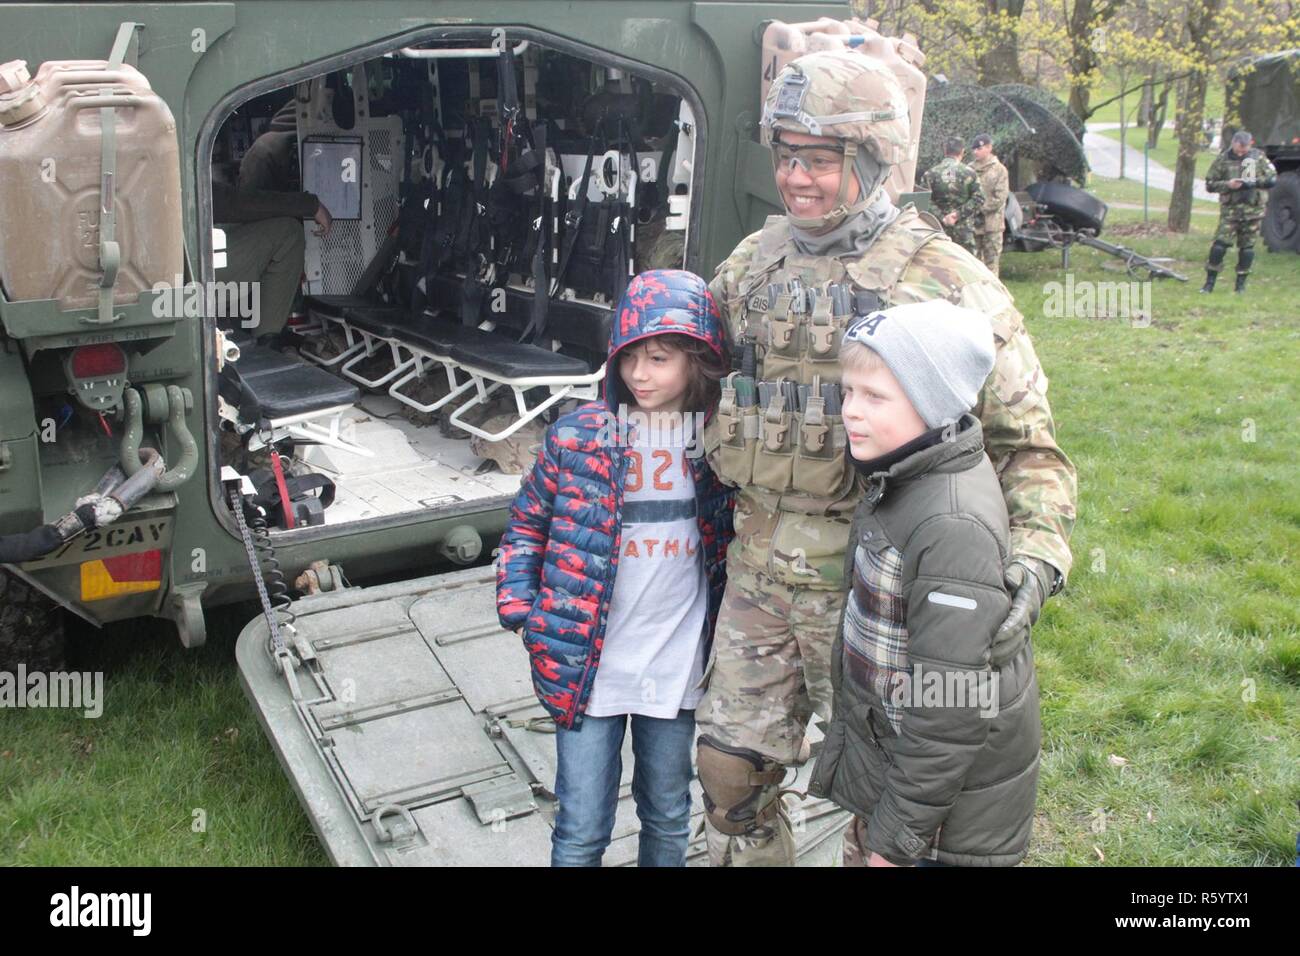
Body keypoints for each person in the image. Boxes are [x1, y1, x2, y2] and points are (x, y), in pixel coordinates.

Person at [697, 49, 1075, 867]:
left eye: (820, 159)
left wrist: (1039, 556)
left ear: (872, 159)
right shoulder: (748, 267)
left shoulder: (946, 280)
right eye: (785, 155)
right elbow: (695, 383)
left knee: (891, 806)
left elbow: (1028, 447)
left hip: (878, 595)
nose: (795, 178)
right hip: (758, 574)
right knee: (728, 775)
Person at [496, 269, 734, 867]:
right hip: (585, 668)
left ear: (697, 360)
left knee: (668, 815)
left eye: (659, 358)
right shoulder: (578, 436)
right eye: (630, 358)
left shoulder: (722, 444)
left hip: (674, 667)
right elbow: (526, 526)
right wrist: (524, 612)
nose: (640, 374)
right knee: (580, 829)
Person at [809, 300, 1041, 867]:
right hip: (903, 779)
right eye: (849, 393)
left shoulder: (949, 527)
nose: (851, 413)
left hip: (940, 828)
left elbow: (949, 718)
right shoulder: (905, 473)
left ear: (934, 403)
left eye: (875, 397)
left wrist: (895, 843)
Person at [213, 104, 332, 341]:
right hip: (172, 282)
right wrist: (310, 205)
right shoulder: (268, 149)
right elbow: (231, 203)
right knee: (287, 234)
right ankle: (267, 344)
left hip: (153, 277)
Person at [1202, 129, 1277, 294]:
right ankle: (1209, 283)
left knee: (1247, 248)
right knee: (1219, 246)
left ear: (1250, 144)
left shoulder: (1258, 158)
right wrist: (1228, 185)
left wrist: (1253, 182)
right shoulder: (1223, 159)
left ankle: (1240, 286)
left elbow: (1272, 179)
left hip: (1253, 210)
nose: (1241, 153)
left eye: (1244, 150)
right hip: (1231, 211)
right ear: (1233, 144)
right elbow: (1210, 184)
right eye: (1238, 150)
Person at [918, 135, 983, 254]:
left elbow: (923, 200)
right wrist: (957, 215)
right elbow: (979, 198)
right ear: (962, 152)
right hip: (964, 232)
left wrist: (942, 217)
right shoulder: (970, 173)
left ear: (945, 150)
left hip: (938, 230)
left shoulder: (930, 174)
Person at [970, 133, 1010, 277]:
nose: (976, 152)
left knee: (991, 265)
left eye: (979, 148)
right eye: (974, 149)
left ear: (989, 148)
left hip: (992, 225)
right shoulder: (969, 169)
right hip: (973, 225)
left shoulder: (999, 170)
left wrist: (979, 209)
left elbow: (1000, 197)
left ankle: (993, 297)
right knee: (972, 263)